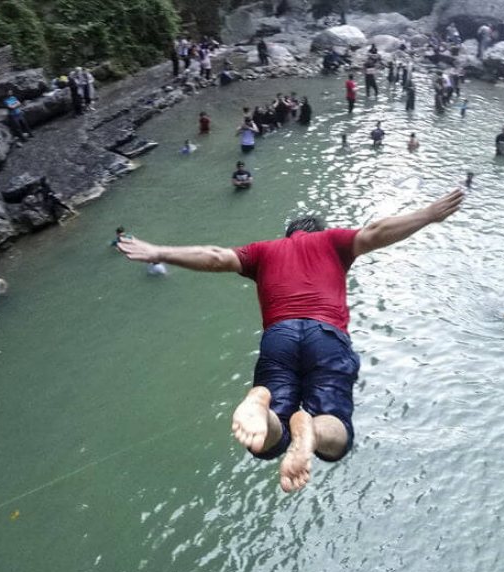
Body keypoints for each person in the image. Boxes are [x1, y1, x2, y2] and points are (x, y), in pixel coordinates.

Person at [115, 189, 465, 491]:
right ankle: (311, 430)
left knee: (269, 442)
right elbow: (375, 232)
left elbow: (216, 256)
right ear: (317, 231)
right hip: (326, 335)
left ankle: (261, 402)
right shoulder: (332, 242)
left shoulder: (263, 251)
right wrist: (429, 214)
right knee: (337, 433)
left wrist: (159, 251)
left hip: (278, 337)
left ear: (287, 234)